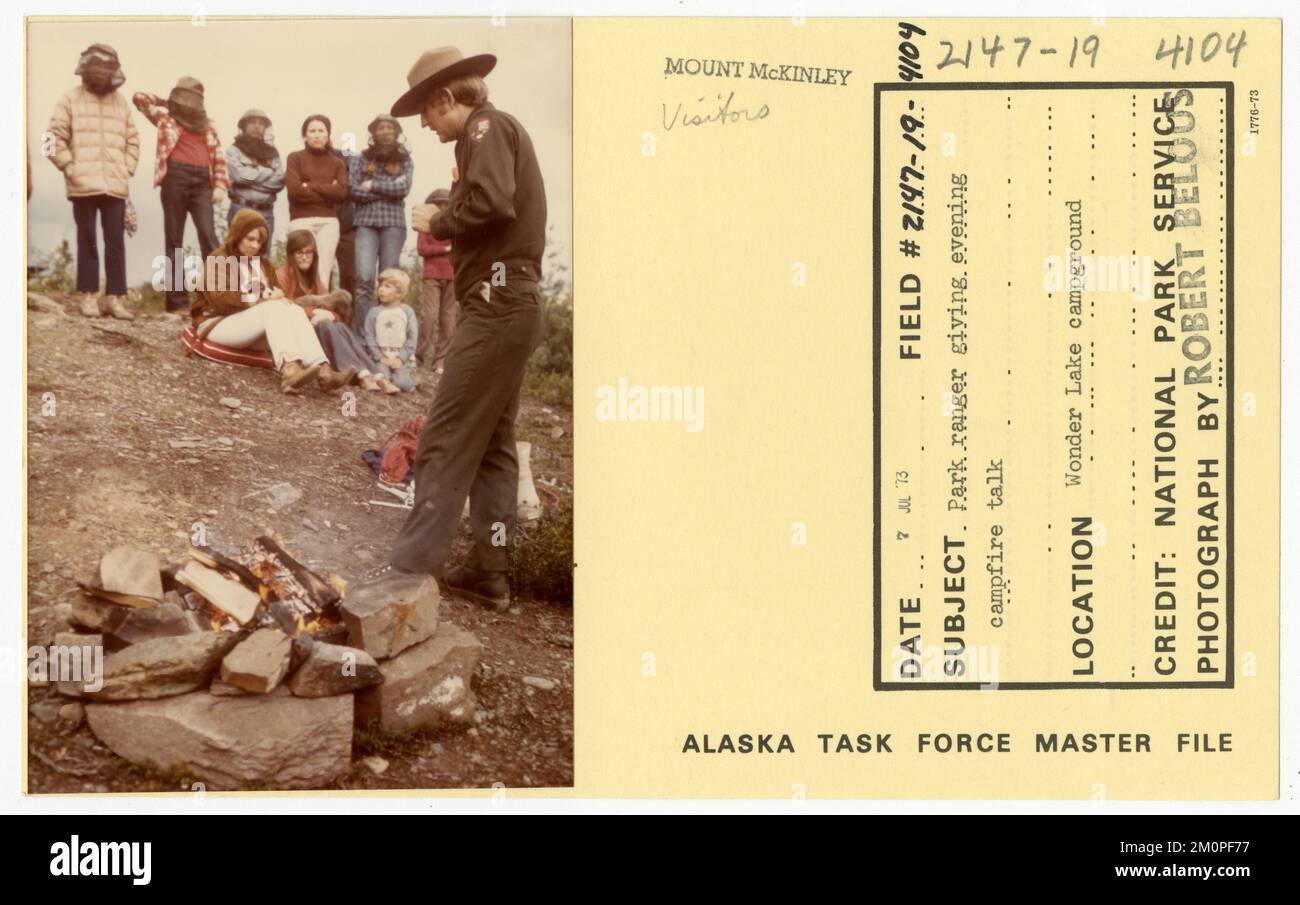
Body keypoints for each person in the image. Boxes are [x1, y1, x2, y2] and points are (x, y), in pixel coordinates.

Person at [372, 46, 547, 612]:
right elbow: (497, 204)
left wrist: (440, 219)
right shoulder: (492, 133)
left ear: (448, 98)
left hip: (497, 304)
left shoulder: (485, 127)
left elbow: (492, 204)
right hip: (510, 303)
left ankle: (410, 568)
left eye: (426, 110)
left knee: (444, 433)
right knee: (494, 443)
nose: (423, 123)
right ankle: (489, 572)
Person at [193, 209, 354, 395]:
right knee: (274, 307)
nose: (255, 245)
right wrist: (263, 297)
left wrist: (277, 296)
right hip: (216, 323)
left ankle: (324, 371)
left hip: (249, 328)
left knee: (293, 310)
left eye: (259, 241)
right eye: (250, 239)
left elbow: (280, 296)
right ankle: (289, 370)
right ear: (237, 236)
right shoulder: (218, 260)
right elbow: (222, 301)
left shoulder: (263, 265)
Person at [46, 43, 140, 320]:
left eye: (106, 66)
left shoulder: (121, 102)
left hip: (115, 185)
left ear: (113, 69)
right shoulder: (70, 98)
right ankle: (88, 297)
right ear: (86, 67)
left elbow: (133, 139)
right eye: (96, 65)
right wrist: (69, 165)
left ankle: (114, 299)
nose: (101, 71)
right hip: (82, 184)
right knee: (87, 239)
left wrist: (127, 167)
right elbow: (50, 139)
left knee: (115, 242)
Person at [133, 77, 229, 313]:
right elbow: (139, 98)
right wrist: (170, 104)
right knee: (174, 239)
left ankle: (215, 298)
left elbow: (218, 157)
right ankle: (176, 303)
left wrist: (220, 186)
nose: (188, 103)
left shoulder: (208, 126)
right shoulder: (166, 119)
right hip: (175, 178)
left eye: (192, 98)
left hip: (202, 183)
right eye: (183, 97)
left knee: (208, 235)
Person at [276, 229, 391, 395]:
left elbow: (330, 306)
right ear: (291, 254)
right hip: (298, 334)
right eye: (299, 252)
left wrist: (331, 314)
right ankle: (363, 374)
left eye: (309, 253)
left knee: (339, 326)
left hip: (319, 328)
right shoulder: (283, 275)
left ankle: (375, 374)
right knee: (326, 325)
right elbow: (285, 307)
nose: (304, 257)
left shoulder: (314, 278)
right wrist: (314, 313)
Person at [348, 114, 415, 332]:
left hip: (393, 225)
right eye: (381, 128)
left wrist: (372, 184)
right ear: (373, 133)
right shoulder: (360, 159)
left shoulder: (405, 160)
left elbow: (403, 189)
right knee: (364, 279)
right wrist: (387, 189)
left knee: (389, 281)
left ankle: (385, 335)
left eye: (390, 128)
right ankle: (363, 334)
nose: (385, 131)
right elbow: (353, 190)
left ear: (397, 133)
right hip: (366, 223)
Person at [285, 115, 348, 289]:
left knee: (322, 271)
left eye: (321, 130)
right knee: (299, 269)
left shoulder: (338, 163)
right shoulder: (294, 158)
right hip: (301, 219)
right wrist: (328, 189)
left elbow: (341, 193)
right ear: (305, 136)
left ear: (328, 135)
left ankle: (320, 310)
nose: (317, 135)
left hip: (328, 221)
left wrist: (309, 185)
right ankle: (297, 310)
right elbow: (295, 191)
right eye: (312, 131)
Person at [225, 108, 284, 238]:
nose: (257, 127)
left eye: (261, 123)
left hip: (266, 211)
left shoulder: (273, 153)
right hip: (241, 209)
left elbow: (279, 181)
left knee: (262, 257)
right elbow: (239, 177)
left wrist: (251, 181)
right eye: (252, 122)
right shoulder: (233, 151)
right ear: (244, 126)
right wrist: (267, 172)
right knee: (240, 255)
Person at [415, 187, 456, 373]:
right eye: (438, 203)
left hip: (452, 275)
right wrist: (446, 250)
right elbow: (422, 250)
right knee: (429, 316)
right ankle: (417, 357)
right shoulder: (425, 224)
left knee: (448, 318)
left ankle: (440, 361)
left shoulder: (454, 225)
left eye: (445, 204)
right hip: (432, 275)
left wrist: (444, 250)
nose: (442, 207)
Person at [363, 268, 416, 394]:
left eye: (387, 286)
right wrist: (380, 357)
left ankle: (411, 378)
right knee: (382, 378)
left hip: (401, 359)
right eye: (380, 285)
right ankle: (387, 380)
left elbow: (412, 338)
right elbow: (369, 337)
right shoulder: (374, 312)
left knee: (401, 383)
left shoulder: (407, 312)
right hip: (381, 358)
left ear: (398, 293)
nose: (381, 289)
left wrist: (400, 358)